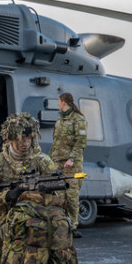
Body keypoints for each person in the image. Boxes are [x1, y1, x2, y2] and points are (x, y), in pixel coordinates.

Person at [0, 112, 59, 264]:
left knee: (55, 256)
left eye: (28, 139)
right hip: (5, 217)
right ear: (11, 139)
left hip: (37, 215)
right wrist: (6, 196)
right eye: (20, 139)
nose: (25, 143)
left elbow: (58, 190)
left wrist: (45, 193)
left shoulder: (41, 161)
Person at [50, 93, 87, 232]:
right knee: (59, 195)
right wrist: (50, 161)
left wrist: (71, 158)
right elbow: (55, 144)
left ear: (64, 102)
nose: (58, 105)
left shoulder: (78, 119)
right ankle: (63, 225)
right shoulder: (59, 121)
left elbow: (81, 142)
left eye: (59, 102)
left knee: (72, 196)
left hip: (73, 165)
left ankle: (73, 226)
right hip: (58, 164)